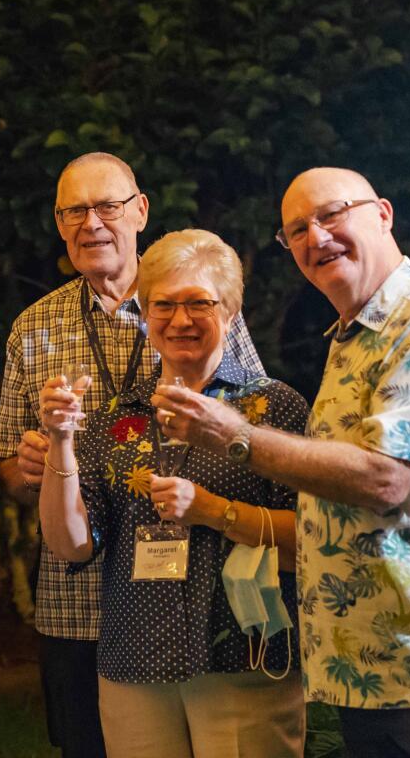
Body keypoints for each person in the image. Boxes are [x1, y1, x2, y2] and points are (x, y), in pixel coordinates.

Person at [154, 167, 410, 756]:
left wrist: (234, 434)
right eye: (296, 229)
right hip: (371, 663)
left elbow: (386, 478)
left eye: (331, 214)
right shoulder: (354, 334)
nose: (315, 237)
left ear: (383, 214)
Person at [0, 152, 265, 757]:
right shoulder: (32, 328)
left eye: (107, 206)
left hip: (193, 594)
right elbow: (8, 469)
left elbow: (255, 428)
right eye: (74, 211)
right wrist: (27, 467)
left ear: (140, 211)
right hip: (77, 605)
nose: (92, 223)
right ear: (59, 226)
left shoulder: (201, 304)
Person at [37, 229, 307, 757]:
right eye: (164, 304)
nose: (180, 320)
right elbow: (72, 544)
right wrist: (61, 441)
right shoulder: (116, 420)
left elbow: (314, 541)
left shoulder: (274, 411)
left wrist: (212, 510)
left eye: (199, 303)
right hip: (134, 660)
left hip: (242, 655)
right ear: (144, 312)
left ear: (229, 311)